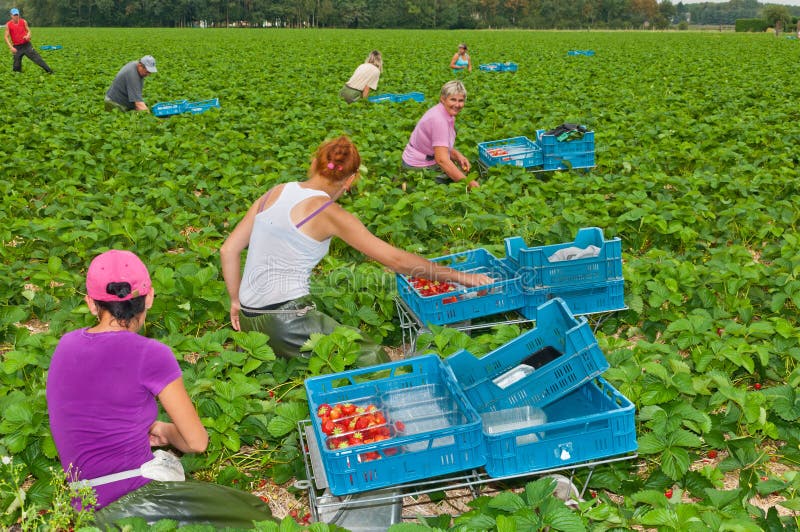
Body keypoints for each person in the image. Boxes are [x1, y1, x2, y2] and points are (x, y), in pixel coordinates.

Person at [46, 250, 276, 528]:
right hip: (136, 500)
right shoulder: (150, 354)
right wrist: (164, 431)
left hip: (84, 507)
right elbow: (197, 442)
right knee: (256, 513)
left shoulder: (65, 345)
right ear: (150, 297)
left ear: (91, 304)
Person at [220, 136, 492, 366]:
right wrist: (461, 277)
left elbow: (228, 249)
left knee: (332, 339)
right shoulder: (328, 213)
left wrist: (236, 301)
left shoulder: (274, 192)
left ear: (313, 163)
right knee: (371, 357)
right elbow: (396, 259)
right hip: (285, 322)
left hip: (248, 320)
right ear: (350, 180)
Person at [401, 80, 478, 188]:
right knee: (451, 187)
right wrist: (469, 184)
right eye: (453, 99)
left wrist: (458, 156)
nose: (457, 104)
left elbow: (441, 146)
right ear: (443, 98)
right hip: (416, 165)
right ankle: (408, 183)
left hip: (425, 158)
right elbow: (442, 160)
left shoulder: (445, 113)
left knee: (458, 174)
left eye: (461, 100)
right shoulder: (439, 120)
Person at [4, 8, 52, 74]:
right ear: (11, 15)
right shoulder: (8, 25)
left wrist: (28, 36)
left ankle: (50, 71)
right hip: (17, 47)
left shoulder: (23, 21)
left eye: (17, 15)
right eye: (14, 15)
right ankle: (18, 76)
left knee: (37, 59)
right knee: (16, 67)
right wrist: (11, 47)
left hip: (26, 45)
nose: (16, 16)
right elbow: (6, 37)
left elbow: (29, 31)